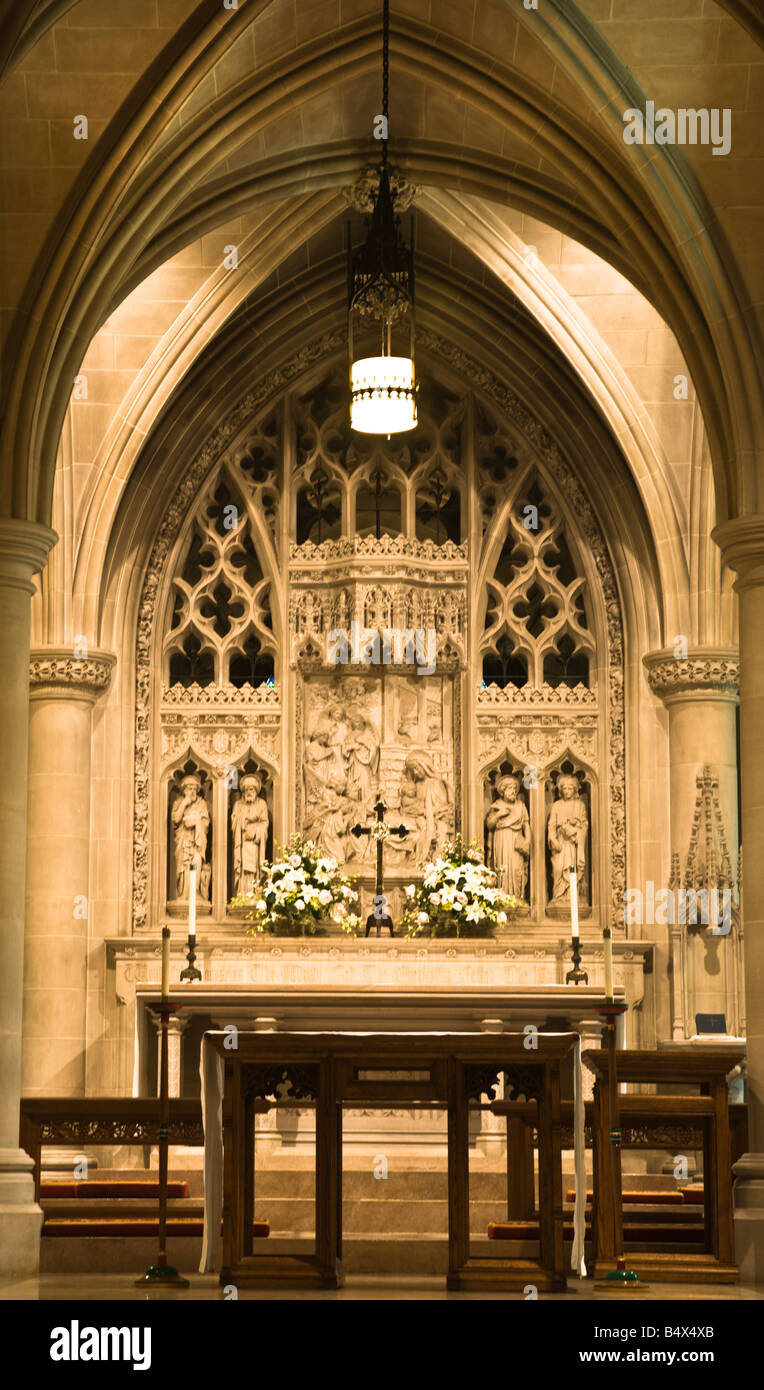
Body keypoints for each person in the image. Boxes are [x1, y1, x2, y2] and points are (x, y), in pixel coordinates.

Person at [485, 775, 530, 897]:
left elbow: (526, 824)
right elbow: (489, 824)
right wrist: (499, 814)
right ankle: (502, 895)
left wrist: (527, 840)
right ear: (503, 791)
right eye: (510, 788)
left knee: (516, 869)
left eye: (515, 788)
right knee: (502, 868)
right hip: (502, 839)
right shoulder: (497, 805)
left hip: (516, 840)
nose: (513, 791)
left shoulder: (521, 806)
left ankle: (516, 895)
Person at [547, 773, 588, 900]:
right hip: (560, 845)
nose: (567, 791)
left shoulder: (579, 805)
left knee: (572, 869)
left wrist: (575, 831)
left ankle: (571, 894)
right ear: (561, 790)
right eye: (564, 788)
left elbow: (584, 825)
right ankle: (559, 894)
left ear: (575, 790)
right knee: (559, 869)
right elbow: (551, 825)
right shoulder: (557, 805)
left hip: (573, 844)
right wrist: (553, 840)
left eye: (570, 788)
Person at [172, 773, 210, 900]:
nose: (192, 791)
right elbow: (176, 819)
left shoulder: (202, 804)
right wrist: (184, 804)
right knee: (183, 867)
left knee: (196, 861)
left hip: (196, 844)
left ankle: (194, 892)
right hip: (183, 843)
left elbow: (206, 823)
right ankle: (183, 894)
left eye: (194, 788)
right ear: (184, 790)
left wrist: (197, 821)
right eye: (189, 788)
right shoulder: (178, 802)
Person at [231, 773, 269, 895]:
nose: (249, 792)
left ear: (256, 790)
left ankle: (254, 891)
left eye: (251, 789)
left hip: (255, 843)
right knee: (243, 868)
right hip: (242, 842)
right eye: (246, 789)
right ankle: (242, 892)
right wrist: (244, 820)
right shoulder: (238, 805)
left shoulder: (261, 804)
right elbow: (234, 822)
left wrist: (255, 831)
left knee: (254, 868)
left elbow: (265, 823)